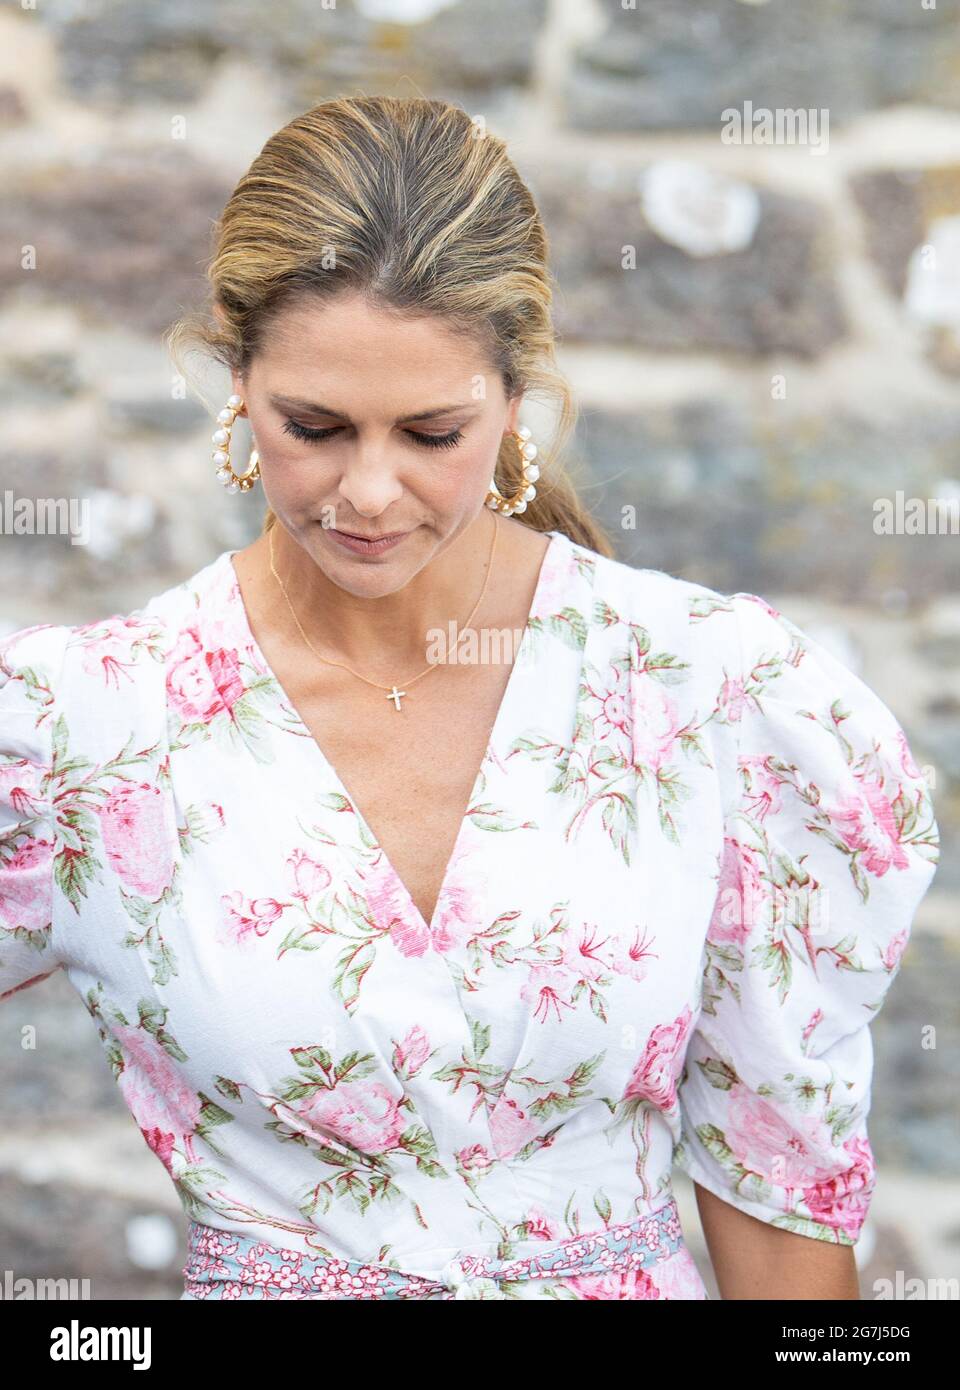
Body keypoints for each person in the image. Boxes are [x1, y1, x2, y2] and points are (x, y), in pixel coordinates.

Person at [0, 96, 939, 1301]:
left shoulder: (715, 694)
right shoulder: (89, 727)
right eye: (316, 426)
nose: (372, 491)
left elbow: (783, 1217)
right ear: (235, 382)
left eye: (433, 431)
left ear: (514, 401)